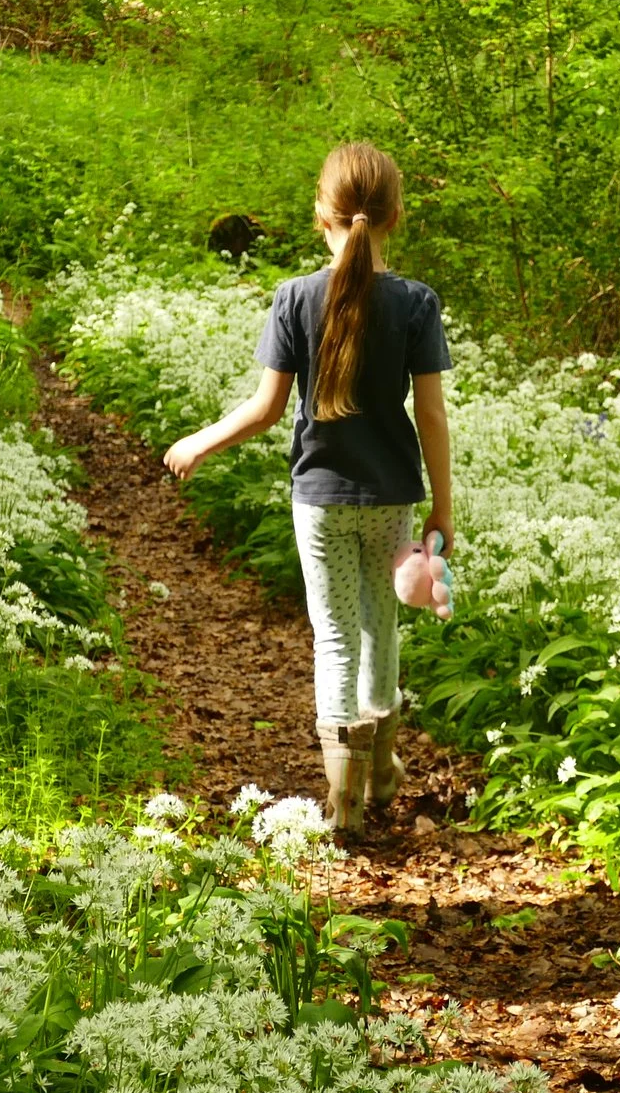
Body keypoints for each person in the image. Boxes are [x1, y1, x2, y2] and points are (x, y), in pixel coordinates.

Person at [164, 142, 454, 833]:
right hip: (391, 497)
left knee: (333, 639)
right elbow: (432, 412)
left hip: (319, 500)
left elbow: (266, 410)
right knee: (380, 627)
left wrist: (199, 441)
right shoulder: (416, 302)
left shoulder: (295, 297)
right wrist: (444, 503)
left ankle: (343, 802)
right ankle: (382, 771)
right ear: (395, 216)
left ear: (320, 213)